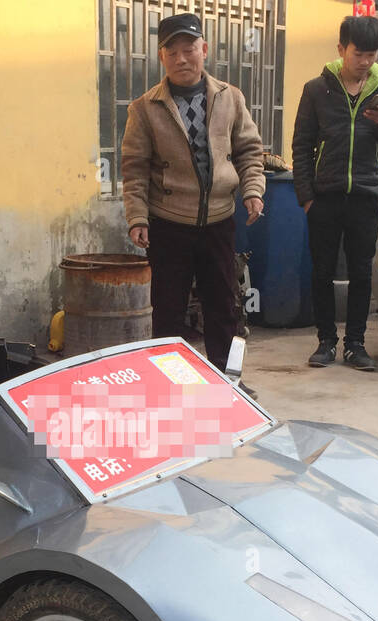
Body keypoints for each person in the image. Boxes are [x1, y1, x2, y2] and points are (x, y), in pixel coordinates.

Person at [121, 12, 265, 377]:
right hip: (168, 225)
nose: (182, 59)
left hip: (219, 221)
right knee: (168, 311)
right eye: (172, 53)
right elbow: (134, 168)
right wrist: (137, 217)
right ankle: (166, 382)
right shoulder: (144, 108)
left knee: (224, 308)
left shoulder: (230, 98)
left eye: (189, 50)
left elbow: (249, 150)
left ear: (204, 50)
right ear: (161, 57)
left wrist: (252, 190)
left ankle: (228, 381)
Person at [292, 15, 378, 371]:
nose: (366, 62)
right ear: (341, 50)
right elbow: (302, 145)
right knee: (321, 270)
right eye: (359, 54)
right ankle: (325, 341)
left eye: (372, 55)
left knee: (361, 273)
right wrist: (306, 196)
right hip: (324, 197)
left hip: (366, 195)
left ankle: (355, 344)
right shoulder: (316, 90)